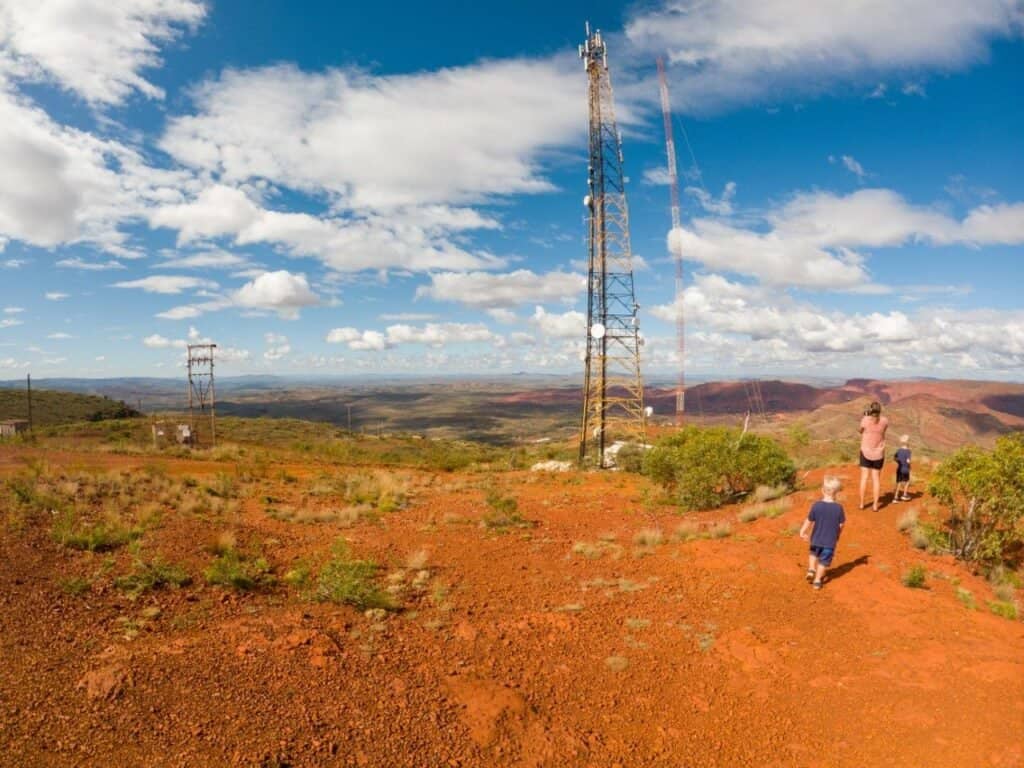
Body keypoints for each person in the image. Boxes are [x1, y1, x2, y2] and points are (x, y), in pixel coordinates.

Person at [800, 475, 846, 591]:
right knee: (823, 561)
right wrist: (838, 534)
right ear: (836, 493)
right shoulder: (838, 508)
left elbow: (809, 520)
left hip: (816, 539)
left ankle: (811, 569)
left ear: (822, 490)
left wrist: (802, 531)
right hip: (829, 542)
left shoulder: (816, 505)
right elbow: (841, 524)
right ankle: (817, 580)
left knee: (813, 554)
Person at [858, 401, 889, 511]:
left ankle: (862, 504)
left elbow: (860, 431)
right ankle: (875, 506)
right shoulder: (885, 421)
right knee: (876, 479)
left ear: (871, 410)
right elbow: (883, 430)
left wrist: (865, 417)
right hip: (878, 454)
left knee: (864, 477)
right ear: (880, 411)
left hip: (865, 451)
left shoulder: (865, 420)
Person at [894, 435, 912, 501]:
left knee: (898, 482)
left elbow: (895, 458)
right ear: (908, 442)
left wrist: (899, 462)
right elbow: (908, 461)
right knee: (907, 481)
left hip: (899, 468)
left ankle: (895, 497)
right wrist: (909, 465)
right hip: (905, 469)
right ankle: (904, 495)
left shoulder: (898, 450)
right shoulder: (908, 451)